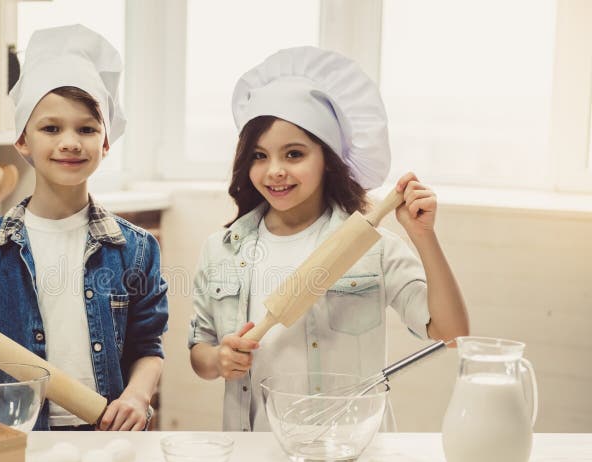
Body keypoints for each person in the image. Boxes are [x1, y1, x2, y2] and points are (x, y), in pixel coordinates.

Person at [188, 47, 469, 431]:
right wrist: (219, 359)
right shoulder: (221, 249)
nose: (275, 171)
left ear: (328, 159)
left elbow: (451, 334)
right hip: (255, 448)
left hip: (352, 449)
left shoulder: (374, 247)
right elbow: (199, 350)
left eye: (294, 154)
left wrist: (423, 237)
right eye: (258, 155)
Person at [0, 25, 168, 431]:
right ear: (22, 140)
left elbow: (148, 346)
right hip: (13, 433)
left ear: (105, 143)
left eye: (87, 129)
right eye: (51, 128)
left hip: (106, 433)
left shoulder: (136, 249)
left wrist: (137, 397)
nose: (70, 142)